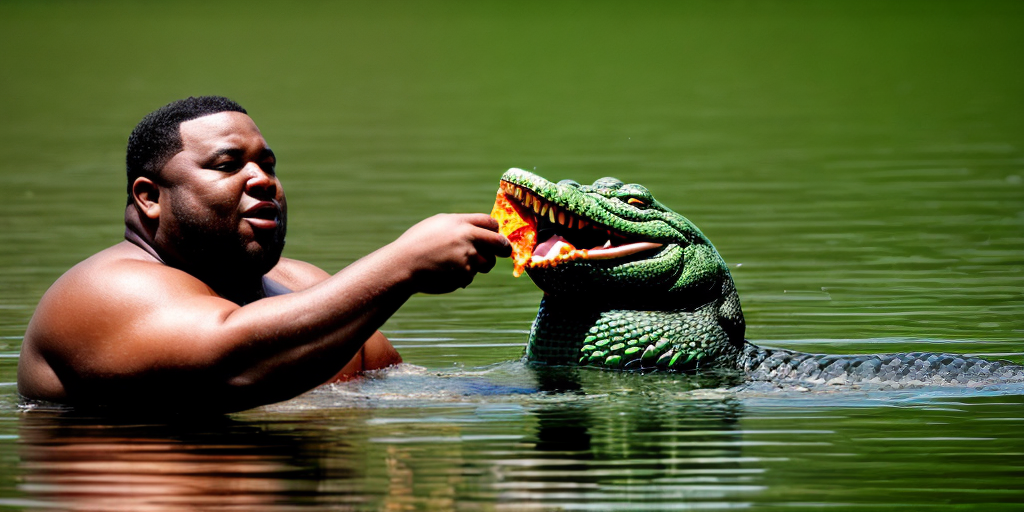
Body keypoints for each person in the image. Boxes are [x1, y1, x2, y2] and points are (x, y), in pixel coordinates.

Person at [17, 96, 511, 413]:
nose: (263, 180)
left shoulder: (304, 287)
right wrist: (403, 264)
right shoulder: (103, 290)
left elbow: (404, 393)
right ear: (149, 197)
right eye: (228, 164)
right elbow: (233, 368)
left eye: (268, 164)